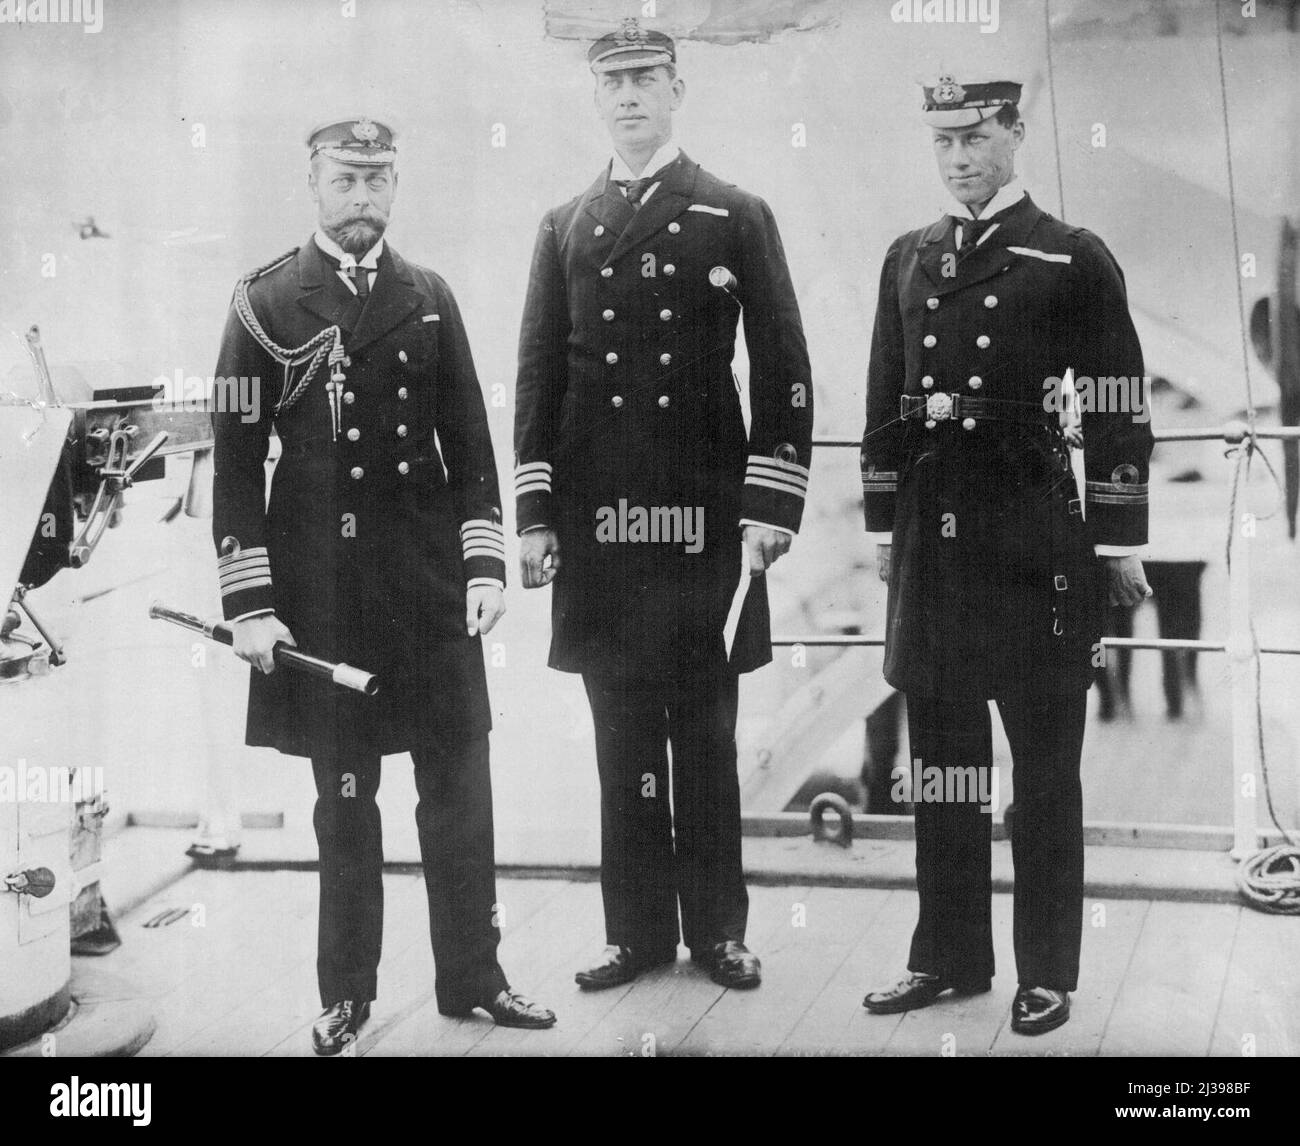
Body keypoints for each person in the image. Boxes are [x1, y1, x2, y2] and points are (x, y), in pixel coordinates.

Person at [211, 116, 554, 1055]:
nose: (363, 197)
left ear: (396, 185)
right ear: (312, 180)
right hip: (324, 596)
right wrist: (250, 604)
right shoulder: (263, 304)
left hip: (429, 587)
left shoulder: (428, 296)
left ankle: (474, 978)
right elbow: (238, 468)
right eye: (346, 179)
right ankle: (347, 994)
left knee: (459, 784)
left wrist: (484, 567)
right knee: (345, 801)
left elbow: (471, 446)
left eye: (379, 180)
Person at [513, 20, 814, 991]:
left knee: (705, 728)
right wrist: (534, 512)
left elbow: (783, 366)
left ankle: (717, 929)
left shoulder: (732, 213)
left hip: (702, 518)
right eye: (615, 84)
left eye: (648, 79)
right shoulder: (563, 225)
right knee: (621, 732)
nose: (632, 97)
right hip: (600, 525)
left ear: (677, 88)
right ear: (596, 99)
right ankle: (636, 931)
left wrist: (772, 503)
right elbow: (536, 378)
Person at [858, 77, 1153, 1035]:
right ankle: (946, 956)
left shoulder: (1070, 257)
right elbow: (881, 402)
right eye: (943, 141)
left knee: (1042, 773)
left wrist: (1116, 538)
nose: (958, 157)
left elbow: (1114, 403)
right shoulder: (908, 257)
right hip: (934, 549)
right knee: (944, 768)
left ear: (1015, 134)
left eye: (977, 137)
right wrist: (880, 531)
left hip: (1032, 544)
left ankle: (1047, 972)